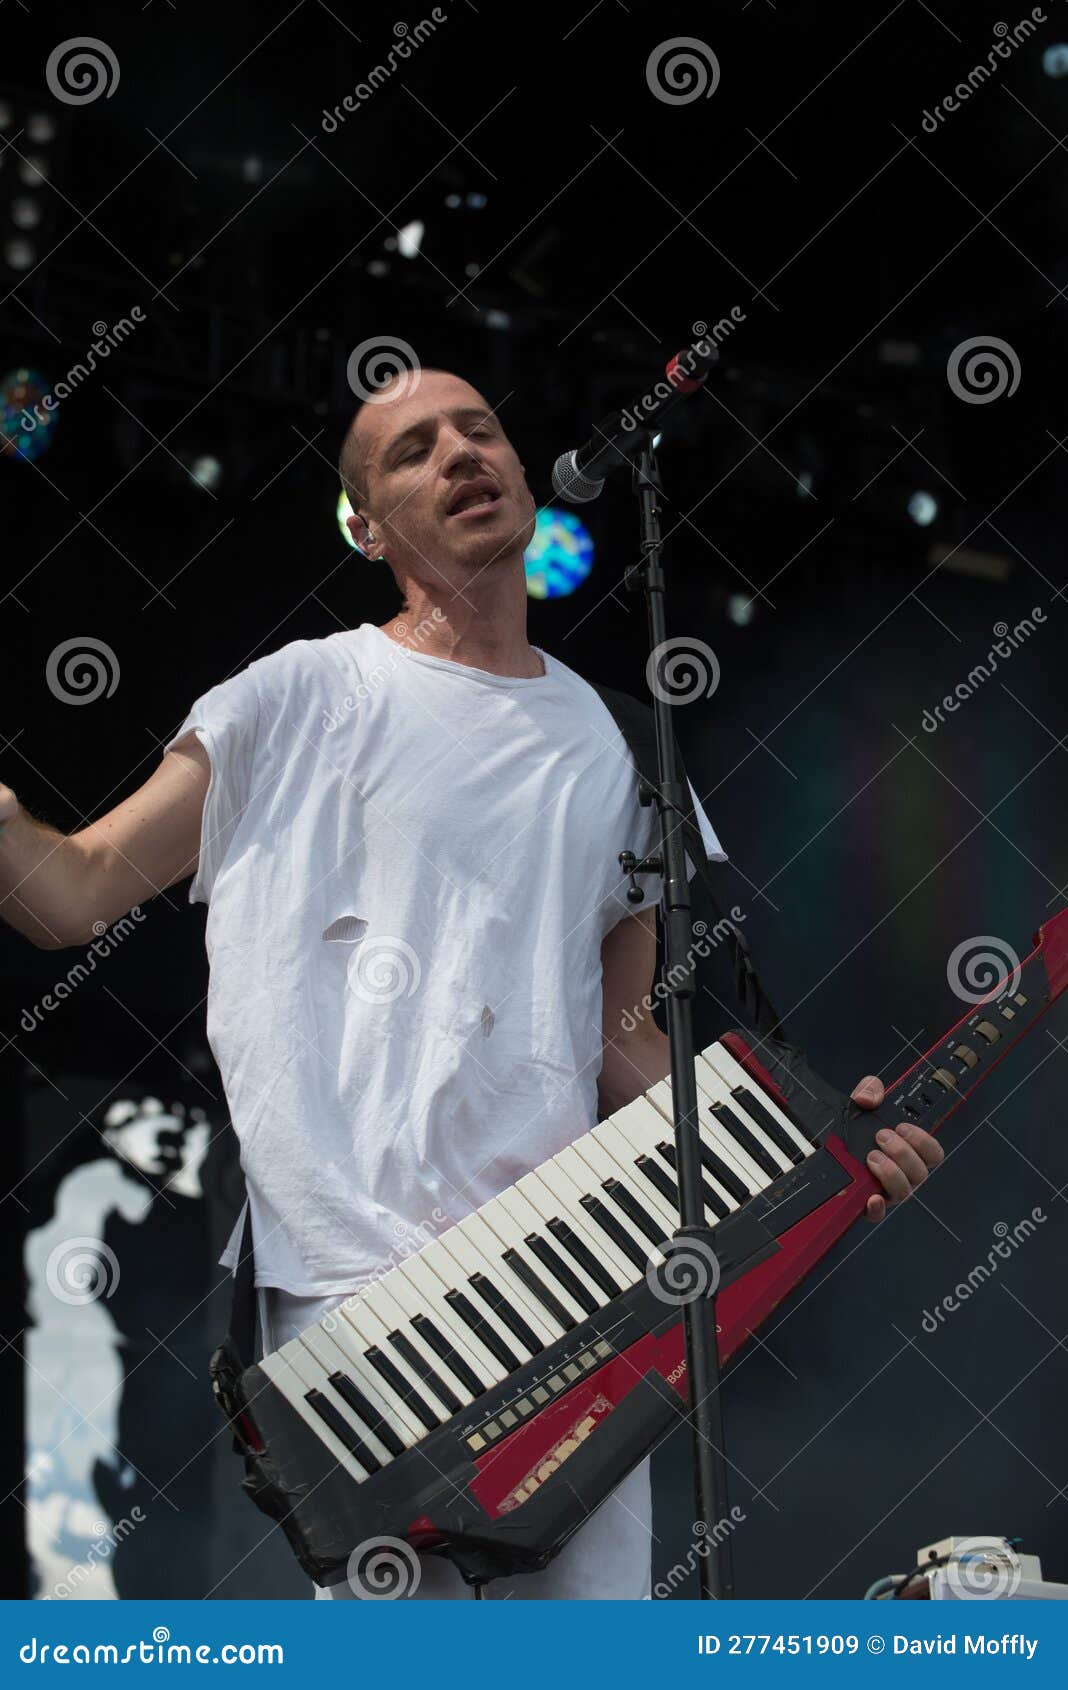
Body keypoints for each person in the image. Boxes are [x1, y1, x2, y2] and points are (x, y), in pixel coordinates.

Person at [0, 366, 945, 1600]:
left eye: (479, 429)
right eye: (410, 451)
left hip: (572, 1275)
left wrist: (820, 1153)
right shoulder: (298, 696)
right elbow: (68, 895)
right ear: (368, 526)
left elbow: (628, 1049)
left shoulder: (619, 740)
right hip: (355, 1280)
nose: (458, 452)